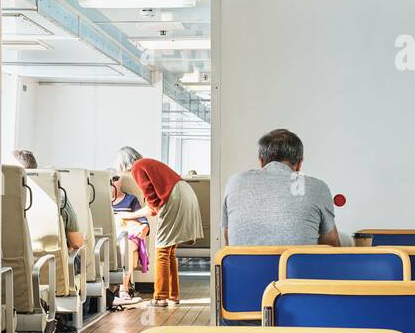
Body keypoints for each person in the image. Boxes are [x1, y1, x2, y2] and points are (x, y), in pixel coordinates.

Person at [114, 146, 201, 307]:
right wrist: (130, 215)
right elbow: (152, 207)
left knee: (161, 249)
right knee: (169, 250)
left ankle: (160, 297)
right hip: (185, 193)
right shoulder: (148, 164)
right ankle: (172, 295)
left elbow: (152, 201)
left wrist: (129, 215)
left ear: (123, 163)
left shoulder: (138, 167)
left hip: (174, 197)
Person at [222, 129, 339, 247]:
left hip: (241, 260)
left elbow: (228, 239)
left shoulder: (234, 182)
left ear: (261, 162)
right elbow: (332, 245)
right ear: (299, 164)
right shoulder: (318, 187)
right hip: (296, 260)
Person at [12, 149, 86, 256]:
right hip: (50, 262)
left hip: (11, 264)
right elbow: (77, 243)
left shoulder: (1, 202)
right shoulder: (59, 199)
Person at [109, 175, 144, 306]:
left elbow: (143, 221)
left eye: (115, 178)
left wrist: (143, 226)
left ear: (121, 182)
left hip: (128, 237)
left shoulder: (131, 200)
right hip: (110, 237)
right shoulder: (99, 200)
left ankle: (124, 289)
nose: (112, 182)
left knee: (125, 246)